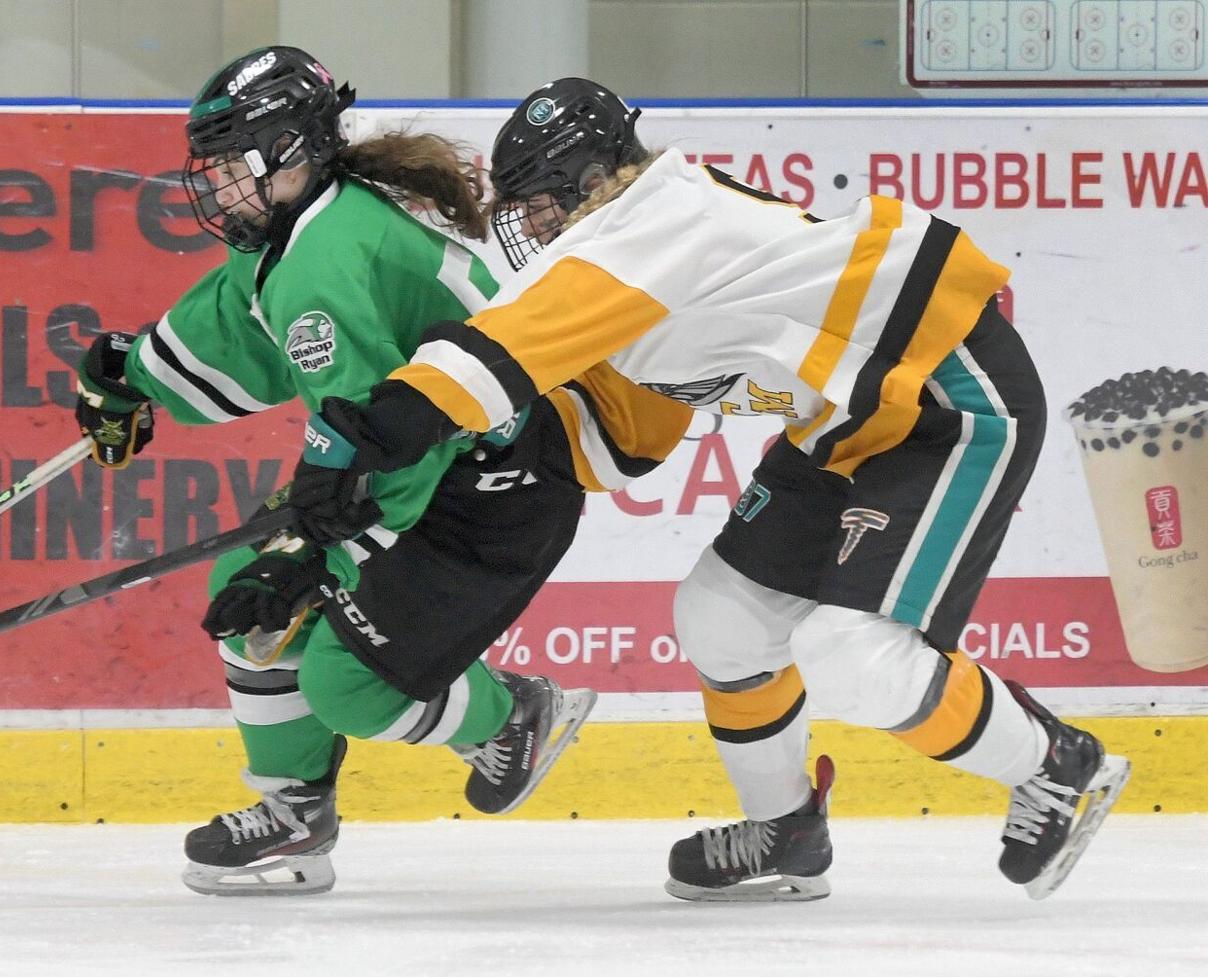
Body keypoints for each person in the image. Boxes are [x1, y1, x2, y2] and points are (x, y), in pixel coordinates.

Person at [278, 77, 1132, 902]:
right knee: (720, 616)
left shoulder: (650, 221)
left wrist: (373, 430)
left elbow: (504, 342)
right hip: (846, 426)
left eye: (540, 204)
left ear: (588, 177)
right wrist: (483, 431)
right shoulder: (632, 276)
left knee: (853, 656)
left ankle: (1060, 766)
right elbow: (620, 445)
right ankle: (786, 829)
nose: (535, 229)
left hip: (946, 391)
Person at [71, 51, 692, 895]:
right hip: (437, 454)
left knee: (345, 684)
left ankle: (516, 716)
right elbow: (243, 333)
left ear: (288, 151)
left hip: (502, 478)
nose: (214, 188)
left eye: (227, 165)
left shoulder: (328, 258)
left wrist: (320, 555)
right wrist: (133, 374)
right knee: (246, 586)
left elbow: (389, 437)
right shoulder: (301, 232)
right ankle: (294, 816)